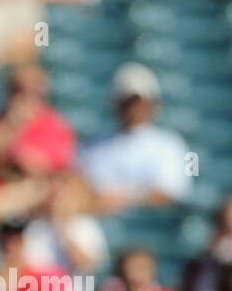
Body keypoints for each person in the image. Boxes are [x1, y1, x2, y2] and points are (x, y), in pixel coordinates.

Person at [79, 63, 191, 214]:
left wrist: (122, 197)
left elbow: (171, 193)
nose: (133, 109)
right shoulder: (93, 147)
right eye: (127, 102)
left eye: (139, 102)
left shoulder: (170, 145)